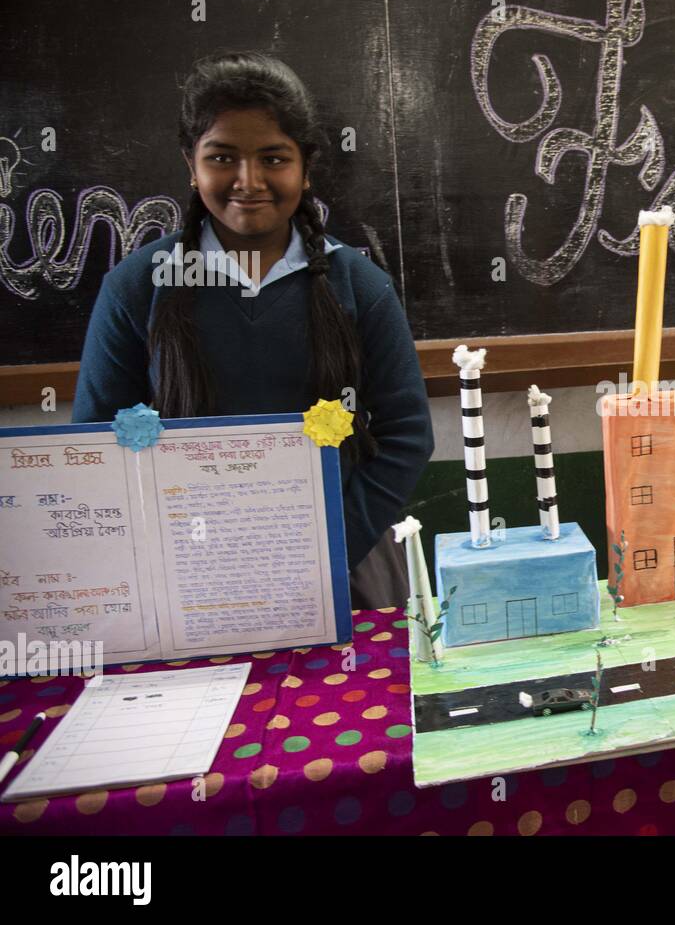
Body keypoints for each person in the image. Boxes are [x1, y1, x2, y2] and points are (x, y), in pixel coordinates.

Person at [72, 51, 433, 609]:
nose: (249, 181)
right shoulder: (138, 287)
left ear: (304, 168)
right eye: (222, 157)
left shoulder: (357, 285)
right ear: (191, 166)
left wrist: (332, 546)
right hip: (185, 572)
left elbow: (407, 433)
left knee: (348, 697)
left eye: (273, 158)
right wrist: (167, 551)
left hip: (345, 566)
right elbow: (96, 440)